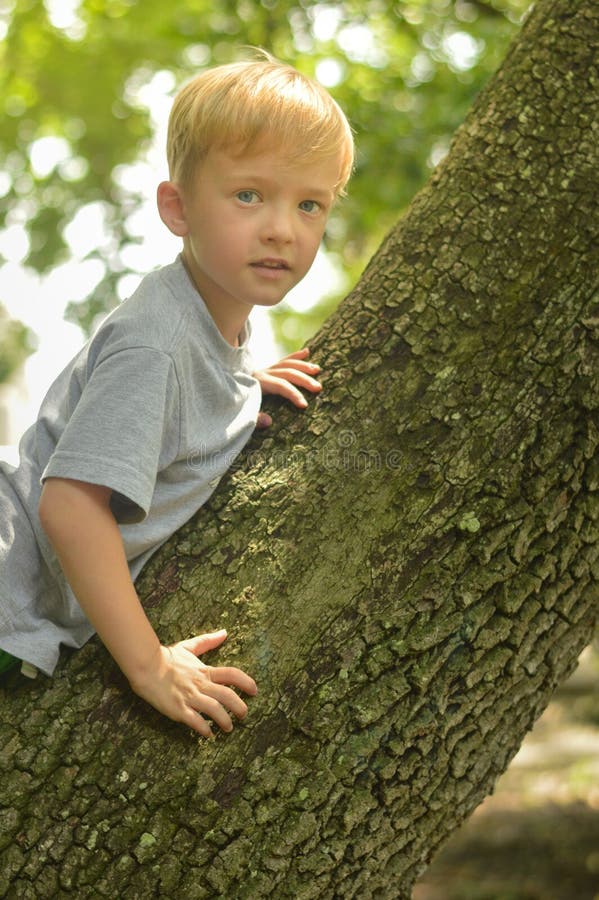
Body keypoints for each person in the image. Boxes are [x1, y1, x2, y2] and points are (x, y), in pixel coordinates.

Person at [0, 52, 354, 737]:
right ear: (177, 207)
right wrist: (148, 666)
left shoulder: (216, 330)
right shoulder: (156, 342)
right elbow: (71, 505)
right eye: (249, 195)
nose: (282, 227)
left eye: (308, 204)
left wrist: (242, 392)